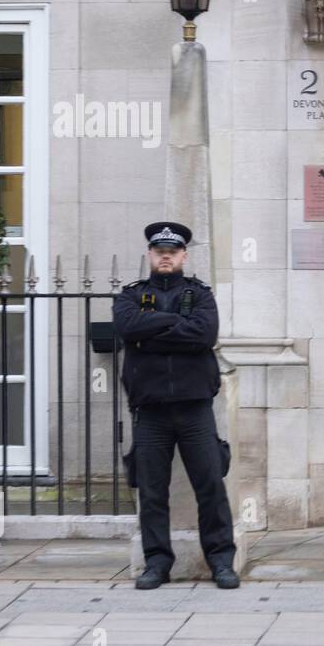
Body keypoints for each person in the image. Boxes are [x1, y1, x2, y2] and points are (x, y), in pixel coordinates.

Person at [112, 222, 239, 590]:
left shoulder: (199, 295)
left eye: (172, 252)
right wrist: (173, 322)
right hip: (149, 410)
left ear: (184, 255)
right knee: (152, 490)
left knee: (210, 486)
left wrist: (151, 331)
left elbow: (204, 334)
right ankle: (156, 564)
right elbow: (127, 327)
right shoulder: (130, 296)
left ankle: (220, 561)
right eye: (159, 252)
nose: (165, 257)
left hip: (194, 406)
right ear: (150, 255)